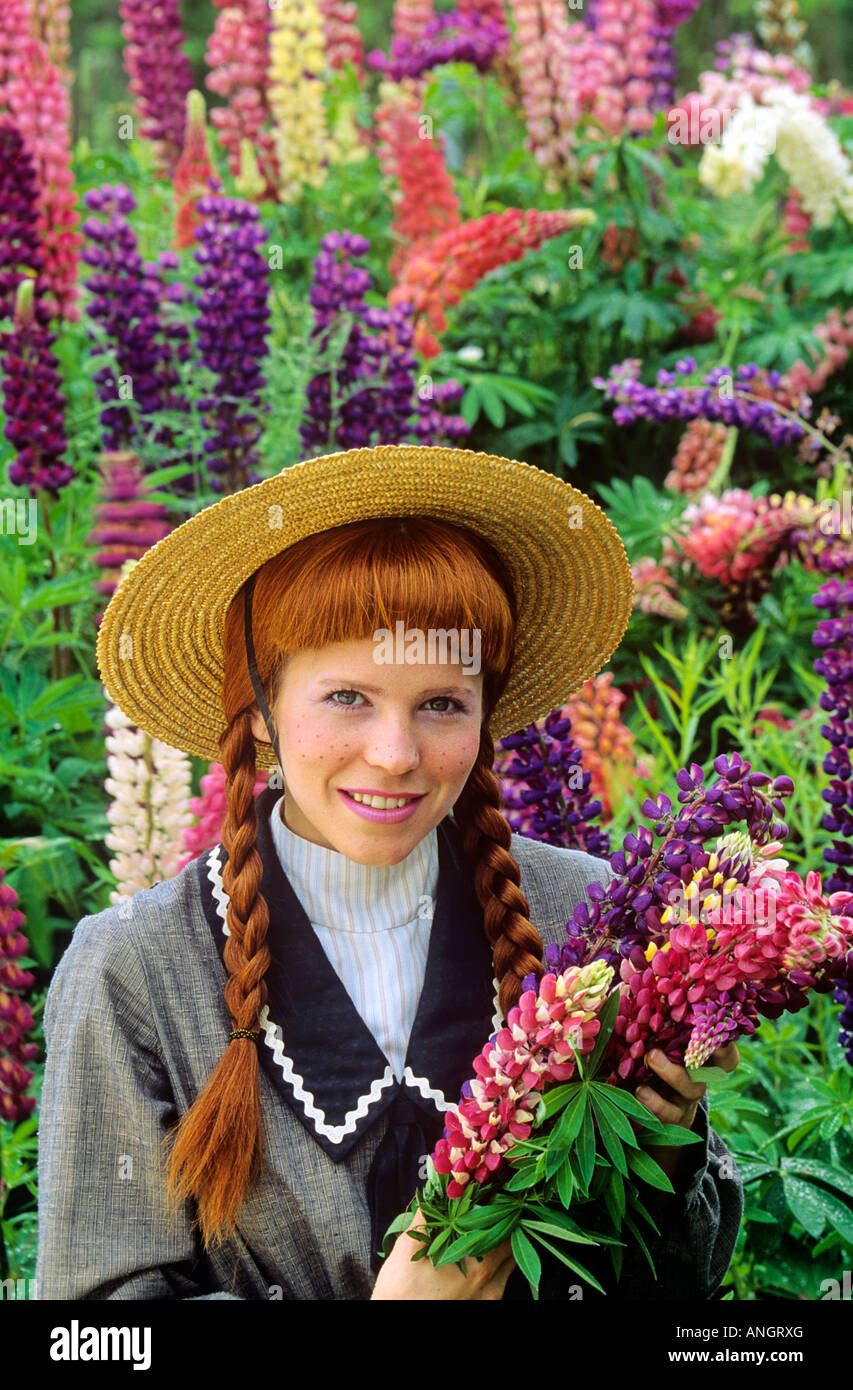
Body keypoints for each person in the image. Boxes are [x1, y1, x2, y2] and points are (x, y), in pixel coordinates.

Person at [35, 444, 743, 1301]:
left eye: (441, 704)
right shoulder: (135, 967)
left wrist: (665, 1148)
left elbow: (675, 1298)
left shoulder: (584, 914)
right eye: (347, 698)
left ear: (487, 712)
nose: (395, 755)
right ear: (258, 707)